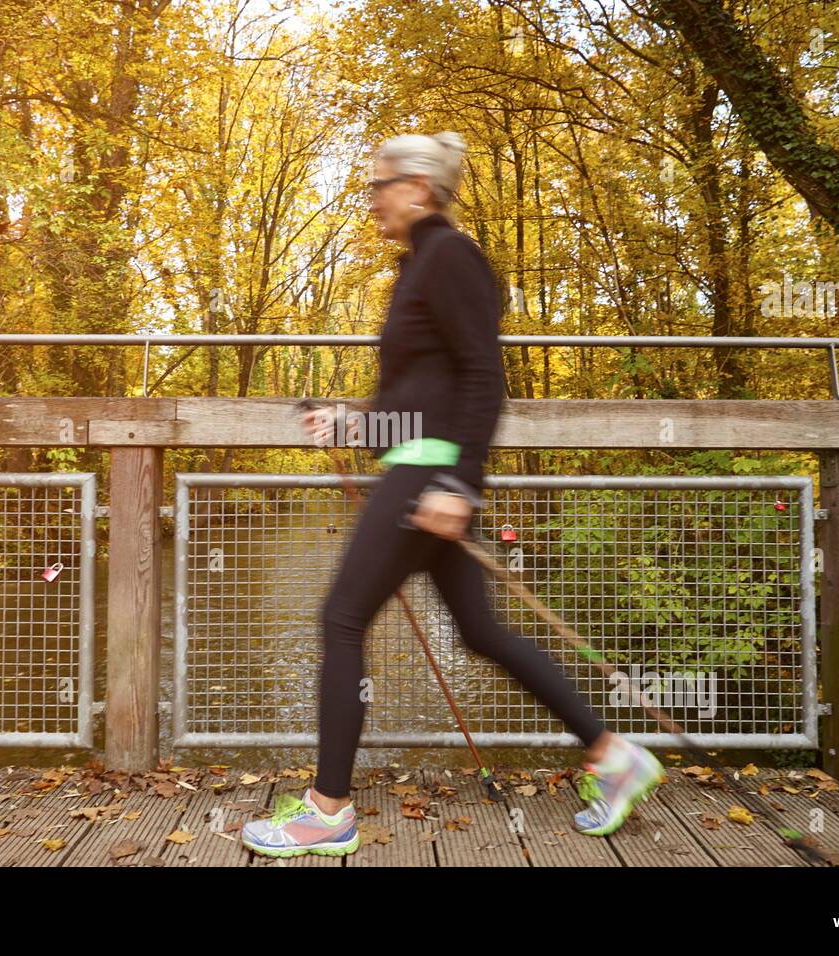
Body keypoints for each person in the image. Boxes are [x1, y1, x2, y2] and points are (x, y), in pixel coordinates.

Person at [240, 132, 663, 858]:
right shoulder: (417, 268)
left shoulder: (452, 257)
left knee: (341, 620)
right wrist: (351, 422)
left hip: (427, 480)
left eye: (380, 186)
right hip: (420, 467)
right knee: (480, 632)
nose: (370, 199)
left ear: (419, 188)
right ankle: (615, 757)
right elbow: (421, 400)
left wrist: (458, 484)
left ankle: (327, 810)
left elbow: (482, 378)